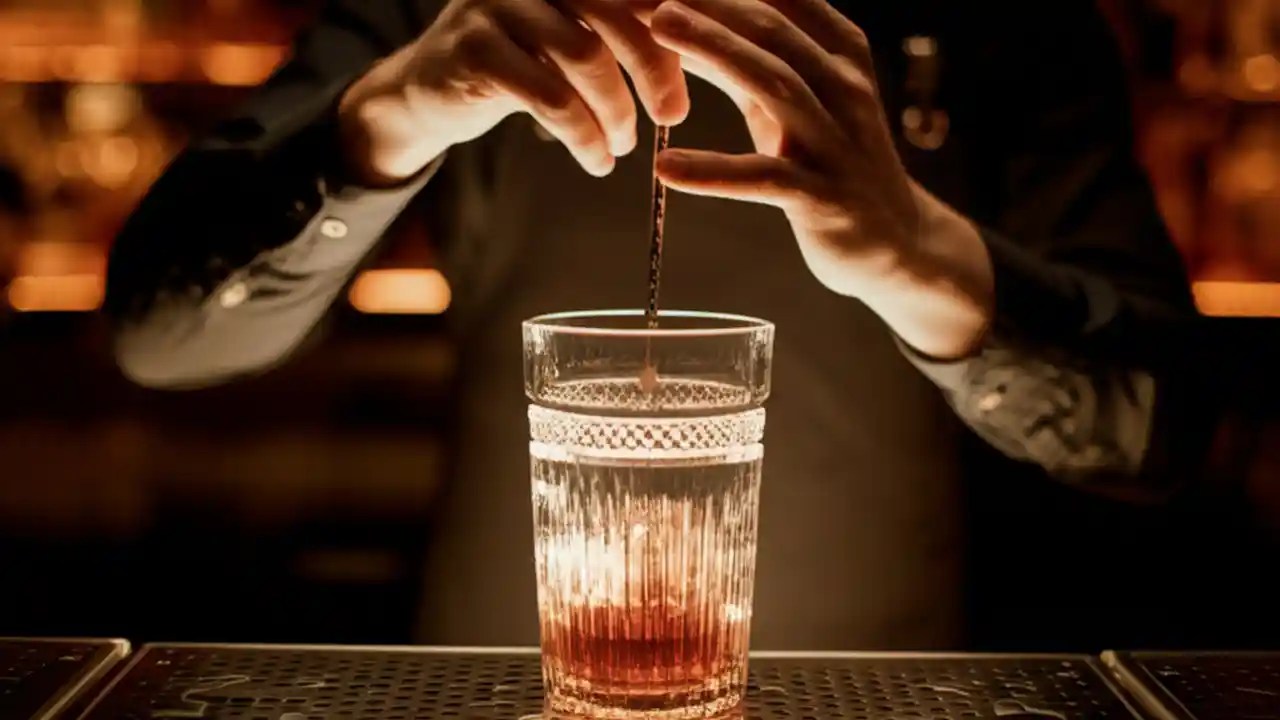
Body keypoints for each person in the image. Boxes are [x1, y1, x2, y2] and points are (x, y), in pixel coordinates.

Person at [105, 0, 1201, 650]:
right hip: (505, 678)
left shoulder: (1011, 21)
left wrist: (922, 255)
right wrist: (385, 115)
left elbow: (1168, 427)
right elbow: (165, 333)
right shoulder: (444, 9)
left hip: (885, 679)